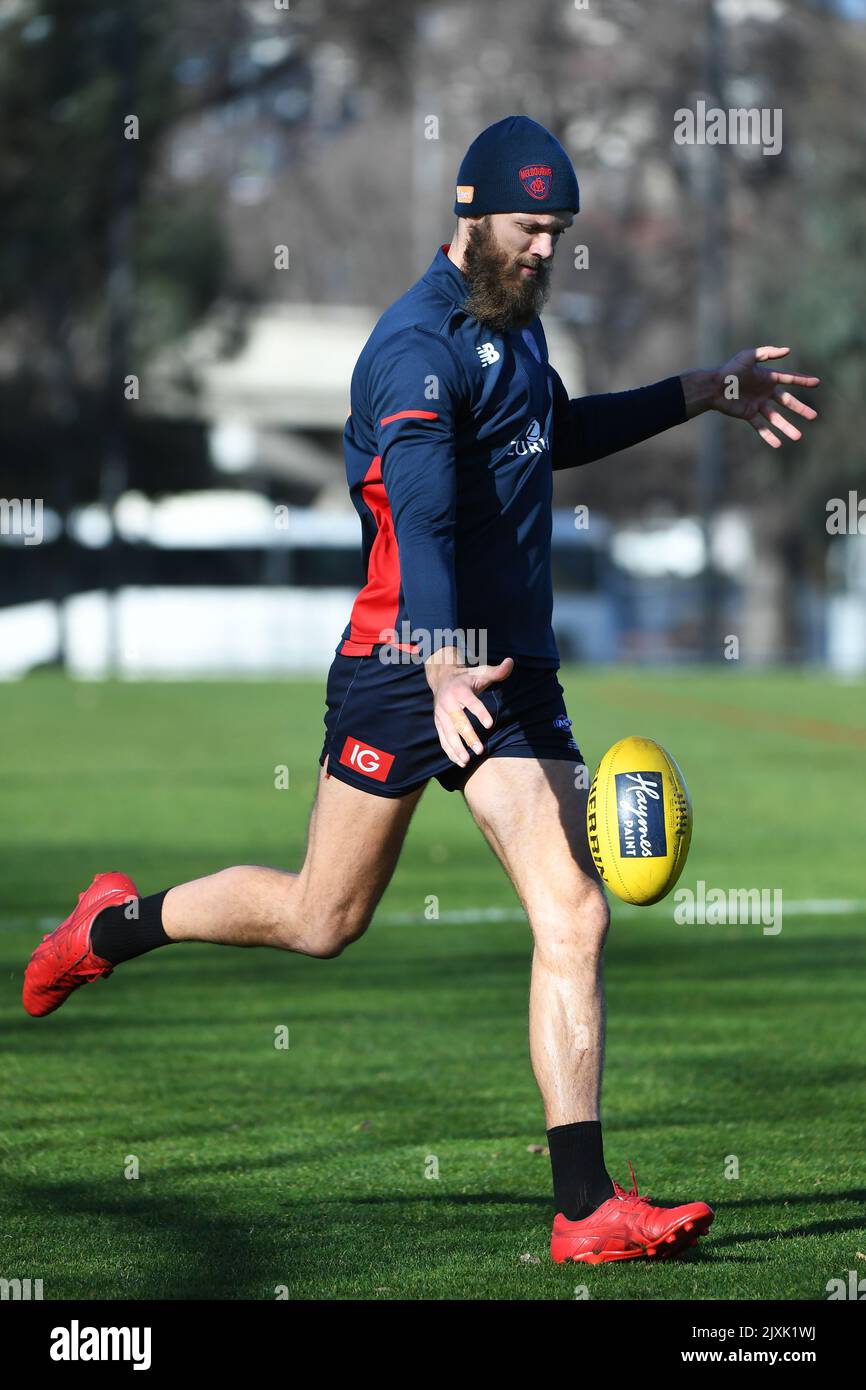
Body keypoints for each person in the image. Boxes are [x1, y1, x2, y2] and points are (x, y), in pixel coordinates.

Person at [23, 115, 819, 1265]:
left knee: (574, 913)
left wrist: (701, 391)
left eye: (557, 233)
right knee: (320, 918)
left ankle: (584, 1206)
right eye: (527, 228)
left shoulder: (513, 329)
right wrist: (440, 657)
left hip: (511, 673)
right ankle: (111, 924)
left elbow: (550, 430)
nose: (546, 249)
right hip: (406, 668)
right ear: (469, 213)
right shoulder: (412, 349)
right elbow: (424, 509)